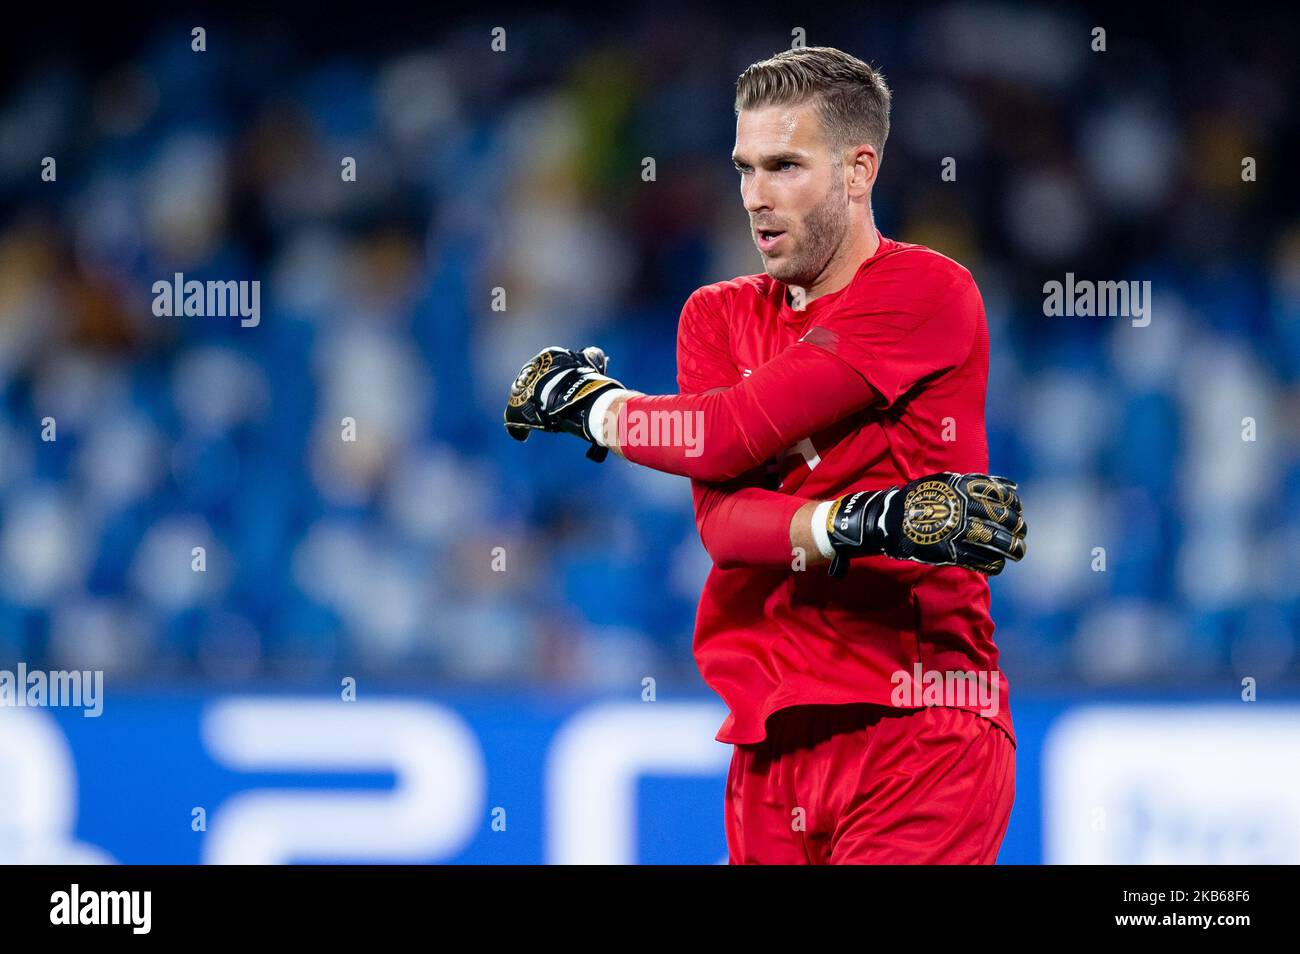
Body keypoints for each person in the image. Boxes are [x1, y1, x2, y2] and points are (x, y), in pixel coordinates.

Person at [504, 46, 1027, 864]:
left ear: (860, 171)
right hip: (770, 743)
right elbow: (726, 523)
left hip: (922, 726)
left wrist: (598, 408)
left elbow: (726, 431)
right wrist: (867, 523)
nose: (755, 197)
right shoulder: (714, 316)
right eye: (745, 167)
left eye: (785, 166)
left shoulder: (927, 291)